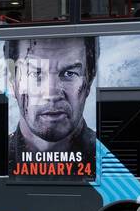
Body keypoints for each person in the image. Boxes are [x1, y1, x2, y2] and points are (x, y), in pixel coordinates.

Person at [7, 37, 97, 170]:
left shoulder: (108, 156)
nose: (51, 95)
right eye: (34, 74)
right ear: (13, 85)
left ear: (88, 83)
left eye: (69, 73)